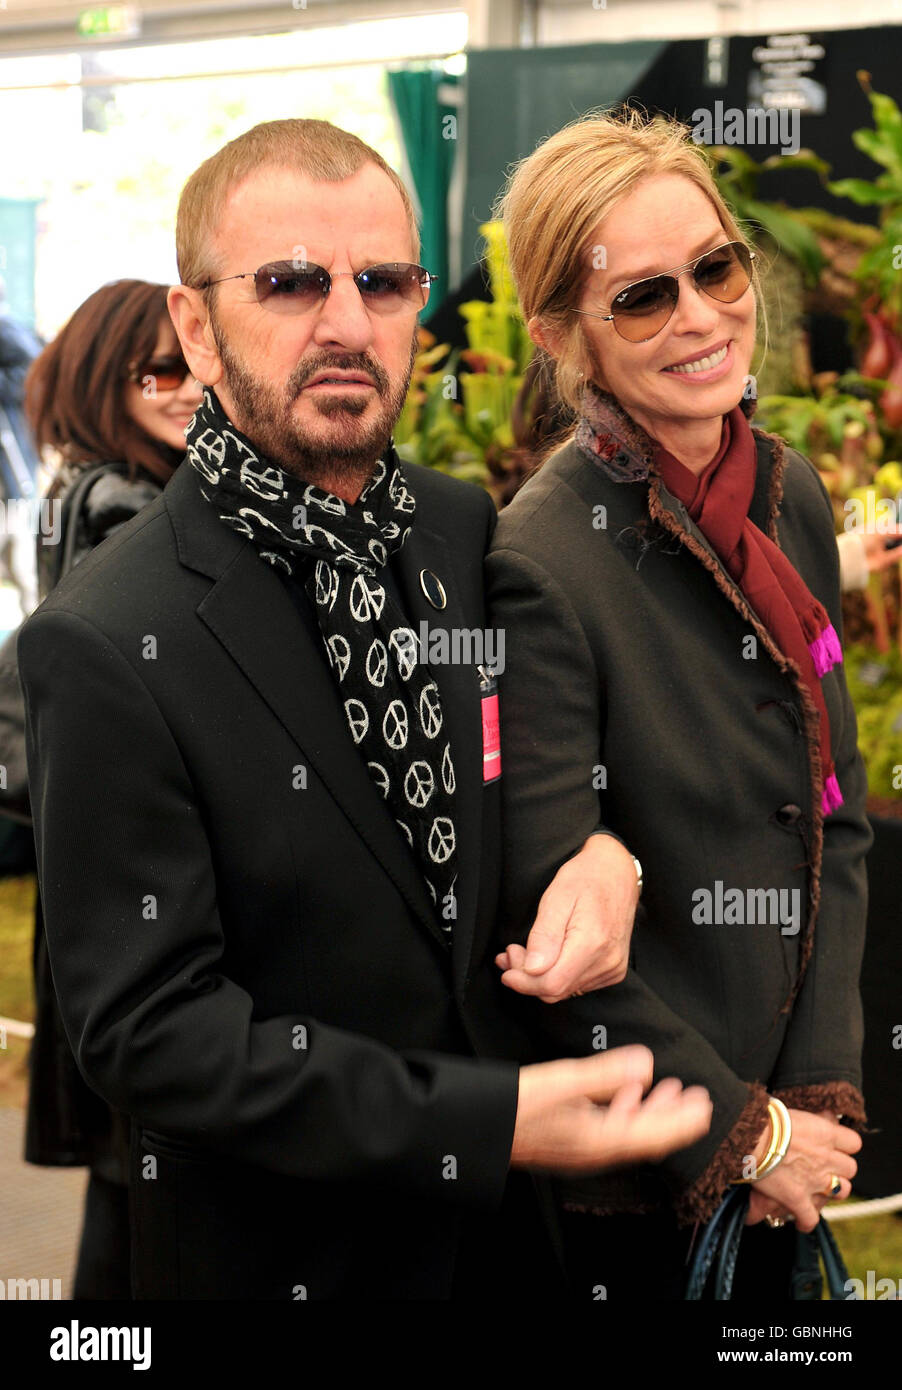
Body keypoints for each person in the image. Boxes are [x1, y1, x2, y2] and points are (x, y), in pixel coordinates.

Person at [18, 118, 712, 1301]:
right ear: (196, 326)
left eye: (382, 282)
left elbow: (530, 749)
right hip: (285, 1255)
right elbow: (149, 1031)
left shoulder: (454, 528)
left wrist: (596, 847)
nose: (345, 322)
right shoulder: (105, 638)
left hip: (510, 1255)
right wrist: (486, 1120)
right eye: (288, 282)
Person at [486, 108, 868, 1300]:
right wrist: (743, 1134)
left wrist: (810, 1103)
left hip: (786, 1151)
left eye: (714, 268)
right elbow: (552, 946)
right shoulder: (537, 561)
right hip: (637, 1174)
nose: (701, 316)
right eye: (642, 297)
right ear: (563, 335)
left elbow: (831, 813)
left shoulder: (786, 493)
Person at [20, 279, 202, 1298]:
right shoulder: (134, 509)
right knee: (143, 1183)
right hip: (138, 876)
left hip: (93, 880)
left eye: (191, 367)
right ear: (104, 380)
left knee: (129, 1180)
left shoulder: (78, 489)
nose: (183, 391)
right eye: (155, 373)